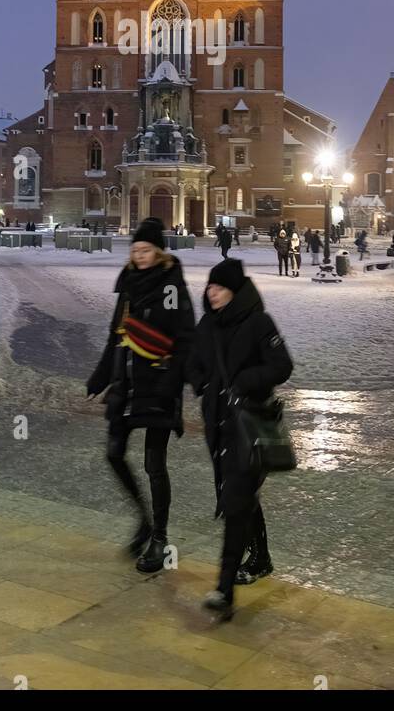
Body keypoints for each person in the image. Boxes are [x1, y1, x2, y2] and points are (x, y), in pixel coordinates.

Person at [86, 217, 195, 571]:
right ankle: (144, 519)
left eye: (145, 249)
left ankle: (160, 539)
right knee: (114, 453)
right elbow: (114, 334)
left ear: (159, 252)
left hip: (159, 384)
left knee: (154, 463)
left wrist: (175, 379)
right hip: (127, 382)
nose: (139, 255)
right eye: (135, 250)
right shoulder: (129, 285)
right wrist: (100, 377)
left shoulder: (171, 285)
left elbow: (185, 336)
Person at [188, 258, 293, 620]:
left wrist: (245, 382)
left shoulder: (258, 323)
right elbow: (193, 361)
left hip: (249, 425)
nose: (210, 292)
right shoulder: (207, 325)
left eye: (218, 287)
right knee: (238, 497)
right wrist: (199, 380)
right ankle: (260, 557)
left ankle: (224, 588)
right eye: (209, 287)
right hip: (217, 427)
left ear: (234, 290)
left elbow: (283, 366)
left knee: (234, 502)